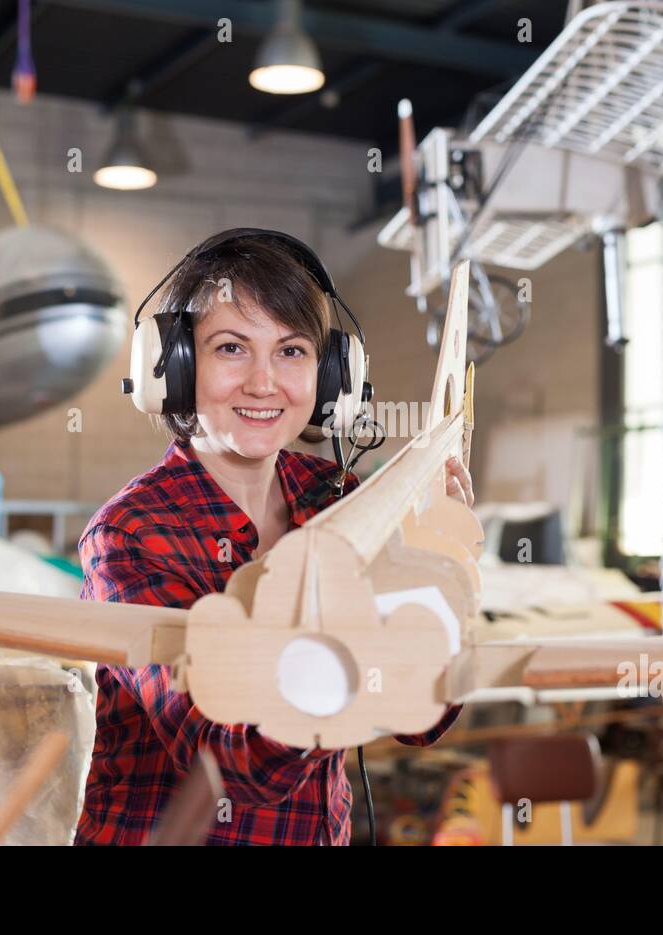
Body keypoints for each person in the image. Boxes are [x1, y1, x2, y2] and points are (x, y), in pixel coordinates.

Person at [74, 230, 474, 845]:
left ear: (332, 376)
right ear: (174, 366)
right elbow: (224, 759)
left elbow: (420, 722)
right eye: (232, 348)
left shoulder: (341, 499)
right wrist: (337, 654)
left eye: (291, 352)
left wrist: (440, 575)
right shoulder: (132, 534)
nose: (264, 383)